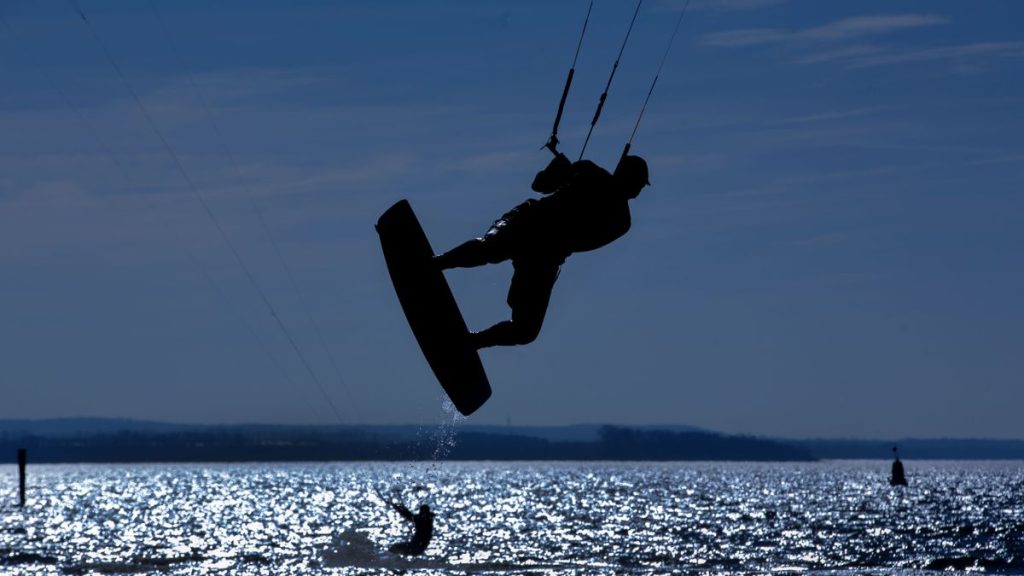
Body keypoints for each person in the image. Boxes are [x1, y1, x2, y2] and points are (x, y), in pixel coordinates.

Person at [434, 151, 650, 349]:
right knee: (488, 249)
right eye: (637, 183)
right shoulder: (589, 172)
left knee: (525, 331)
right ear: (623, 174)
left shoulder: (621, 220)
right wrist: (556, 171)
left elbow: (582, 243)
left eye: (640, 185)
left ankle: (470, 342)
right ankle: (436, 263)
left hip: (545, 255)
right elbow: (539, 185)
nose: (638, 190)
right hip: (528, 222)